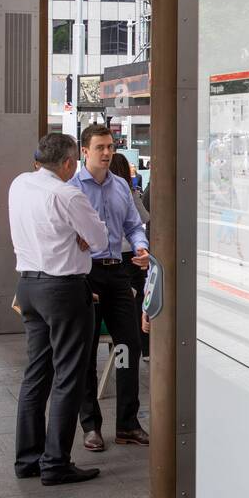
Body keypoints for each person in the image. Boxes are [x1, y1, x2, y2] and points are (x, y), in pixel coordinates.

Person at [9, 132, 108, 485]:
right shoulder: (67, 193)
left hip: (29, 287)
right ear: (68, 163)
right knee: (68, 376)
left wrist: (75, 236)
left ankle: (27, 459)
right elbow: (99, 240)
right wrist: (78, 238)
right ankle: (55, 463)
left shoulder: (20, 184)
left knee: (36, 373)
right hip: (64, 290)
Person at [69, 124, 150, 452]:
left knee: (128, 348)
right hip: (85, 275)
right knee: (86, 351)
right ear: (84, 151)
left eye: (110, 146)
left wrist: (141, 247)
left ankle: (128, 424)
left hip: (118, 274)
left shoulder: (120, 187)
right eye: (100, 147)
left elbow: (133, 224)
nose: (107, 153)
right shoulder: (71, 188)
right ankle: (91, 426)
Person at [111, 152, 151, 361]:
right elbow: (144, 218)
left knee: (117, 304)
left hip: (112, 258)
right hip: (133, 255)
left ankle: (117, 348)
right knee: (137, 302)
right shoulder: (129, 191)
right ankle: (142, 347)